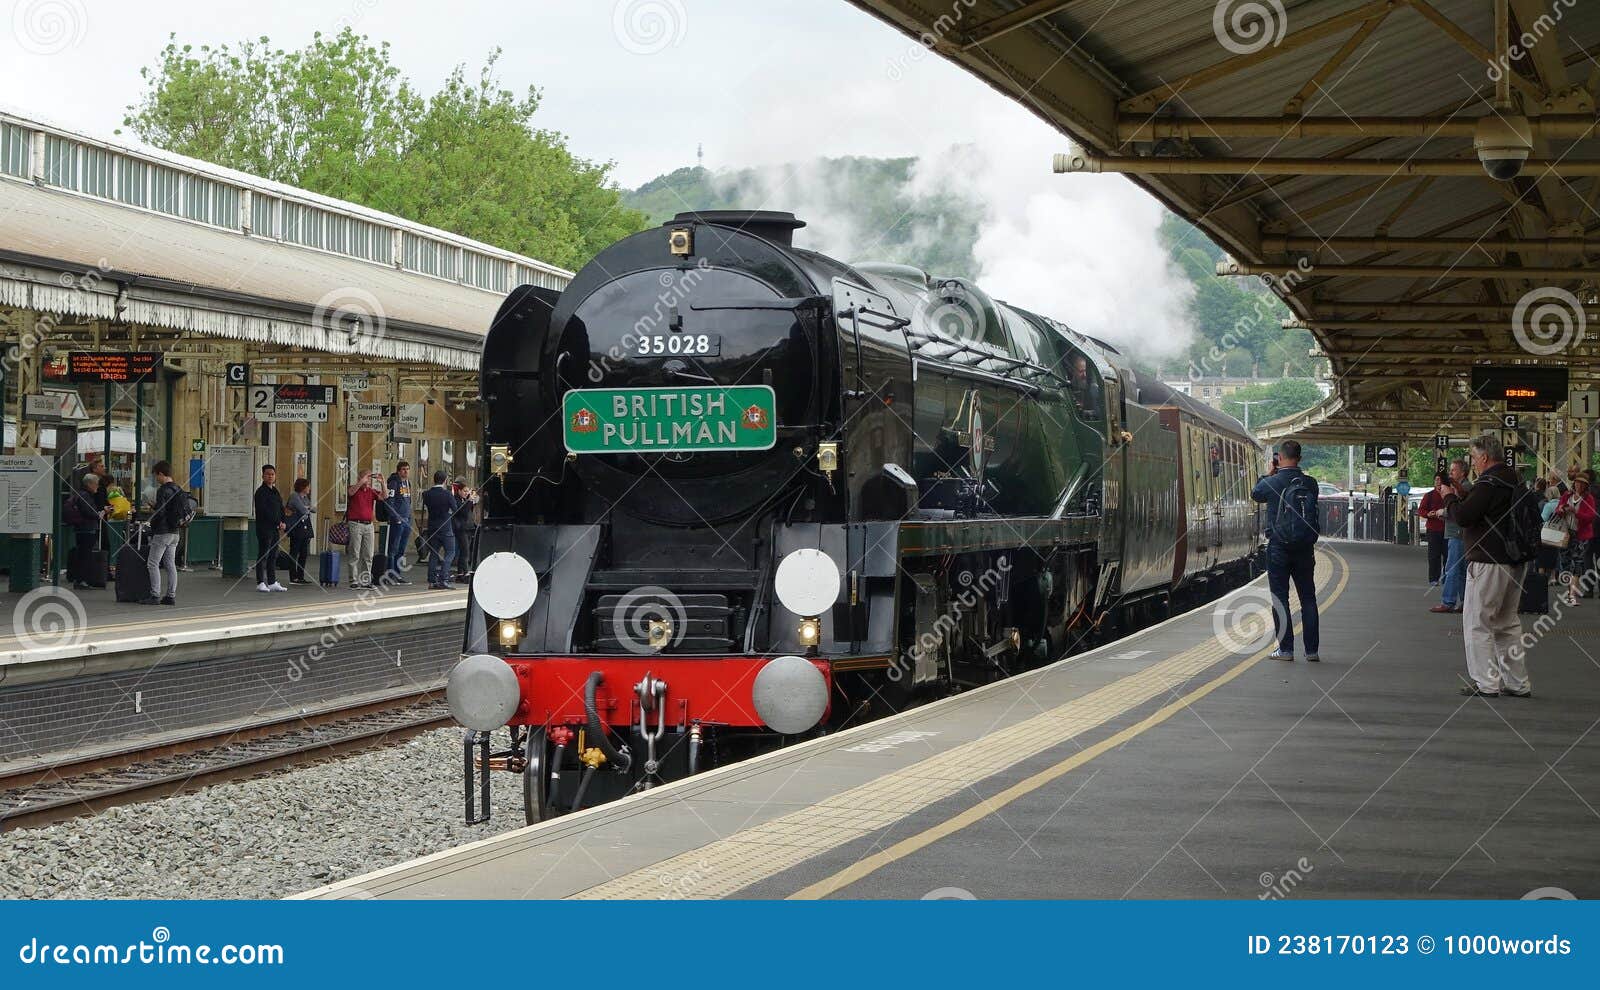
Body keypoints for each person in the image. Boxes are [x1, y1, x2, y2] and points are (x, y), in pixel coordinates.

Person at [1443, 434, 1531, 698]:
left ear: (1483, 457)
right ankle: (1517, 682)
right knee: (1507, 622)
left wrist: (1449, 497)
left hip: (1488, 561)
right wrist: (1463, 493)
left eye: (1473, 457)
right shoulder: (1513, 479)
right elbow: (1487, 508)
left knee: (1477, 623)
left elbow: (1464, 517)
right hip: (1515, 560)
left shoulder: (1488, 482)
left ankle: (1486, 682)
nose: (1473, 462)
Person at [1251, 439, 1321, 662]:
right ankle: (1311, 651)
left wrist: (1270, 473)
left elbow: (1256, 494)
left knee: (1280, 599)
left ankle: (1286, 649)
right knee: (1308, 599)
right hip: (1304, 549)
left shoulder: (1272, 482)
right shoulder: (1310, 483)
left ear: (1279, 458)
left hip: (1279, 548)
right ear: (1299, 458)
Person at [1430, 457, 1471, 614]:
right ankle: (1464, 602)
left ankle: (1448, 601)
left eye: (1453, 470)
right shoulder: (1461, 487)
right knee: (1460, 570)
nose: (1450, 473)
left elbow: (1459, 509)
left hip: (1457, 533)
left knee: (1451, 568)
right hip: (1457, 532)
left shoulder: (1465, 488)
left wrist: (1442, 512)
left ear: (1462, 472)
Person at [144, 461, 184, 606]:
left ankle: (155, 595)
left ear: (161, 474)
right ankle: (170, 596)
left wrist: (151, 523)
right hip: (175, 532)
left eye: (156, 476)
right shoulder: (178, 489)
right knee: (170, 564)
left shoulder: (163, 490)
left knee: (152, 563)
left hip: (162, 532)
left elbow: (160, 512)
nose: (156, 479)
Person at [1553, 474, 1596, 607]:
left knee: (1578, 562)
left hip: (1581, 535)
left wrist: (1575, 512)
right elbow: (1557, 510)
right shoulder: (1566, 496)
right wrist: (1561, 510)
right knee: (1565, 563)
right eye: (1577, 482)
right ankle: (1570, 592)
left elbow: (1591, 516)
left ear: (1586, 486)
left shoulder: (1589, 499)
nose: (1579, 485)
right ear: (1574, 483)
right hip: (1566, 534)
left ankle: (1572, 595)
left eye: (1582, 483)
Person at [63, 473, 108, 590]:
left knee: (83, 554)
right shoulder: (85, 496)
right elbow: (88, 512)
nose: (97, 486)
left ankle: (81, 579)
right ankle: (81, 580)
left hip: (82, 528)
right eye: (96, 484)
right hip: (86, 529)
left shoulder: (81, 494)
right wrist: (100, 514)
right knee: (85, 555)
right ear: (89, 484)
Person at [346, 470, 387, 590]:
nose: (367, 481)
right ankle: (353, 580)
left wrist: (383, 483)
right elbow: (350, 492)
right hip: (355, 524)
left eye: (369, 478)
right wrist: (360, 482)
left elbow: (384, 497)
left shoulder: (371, 491)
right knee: (355, 553)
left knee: (368, 554)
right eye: (366, 478)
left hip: (369, 525)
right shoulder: (353, 488)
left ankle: (365, 580)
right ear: (360, 478)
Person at [422, 470, 460, 590]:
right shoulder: (447, 494)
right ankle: (444, 578)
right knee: (450, 552)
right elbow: (455, 509)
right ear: (445, 480)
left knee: (434, 553)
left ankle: (432, 580)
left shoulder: (426, 494)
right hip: (445, 527)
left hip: (432, 526)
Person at [254, 464, 288, 593]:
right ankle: (260, 582)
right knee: (264, 554)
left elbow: (280, 508)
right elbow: (264, 511)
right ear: (263, 476)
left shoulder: (275, 491)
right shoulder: (260, 492)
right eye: (268, 474)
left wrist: (283, 522)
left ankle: (272, 581)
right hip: (264, 528)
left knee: (273, 555)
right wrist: (277, 522)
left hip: (275, 528)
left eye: (272, 474)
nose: (270, 476)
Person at [1417, 472, 1448, 586]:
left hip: (1447, 529)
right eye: (1436, 480)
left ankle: (1446, 577)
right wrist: (1428, 514)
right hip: (1433, 529)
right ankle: (1433, 578)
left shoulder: (1450, 494)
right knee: (1434, 555)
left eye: (1440, 479)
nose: (1438, 482)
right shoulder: (1429, 495)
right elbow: (1421, 510)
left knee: (1447, 555)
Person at [385, 461, 413, 584]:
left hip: (407, 519)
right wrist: (396, 517)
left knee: (401, 549)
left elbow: (408, 501)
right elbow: (389, 502)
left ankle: (397, 574)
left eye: (407, 469)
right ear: (398, 471)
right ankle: (390, 574)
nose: (405, 471)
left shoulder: (407, 483)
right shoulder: (394, 483)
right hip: (398, 520)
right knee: (393, 549)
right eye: (403, 469)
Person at [286, 478, 315, 585]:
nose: (309, 488)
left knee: (303, 553)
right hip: (296, 526)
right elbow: (303, 510)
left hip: (305, 526)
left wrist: (307, 508)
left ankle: (301, 576)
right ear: (302, 487)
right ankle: (293, 577)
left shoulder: (305, 498)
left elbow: (314, 509)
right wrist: (307, 508)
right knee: (294, 551)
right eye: (308, 486)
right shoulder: (294, 496)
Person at [451, 477, 478, 582]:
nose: (467, 493)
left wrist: (471, 501)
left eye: (468, 491)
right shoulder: (456, 500)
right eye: (465, 491)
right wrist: (469, 501)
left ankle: (460, 572)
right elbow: (463, 512)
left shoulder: (465, 500)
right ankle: (466, 572)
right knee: (465, 551)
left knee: (464, 551)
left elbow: (470, 510)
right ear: (459, 491)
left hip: (469, 527)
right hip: (461, 528)